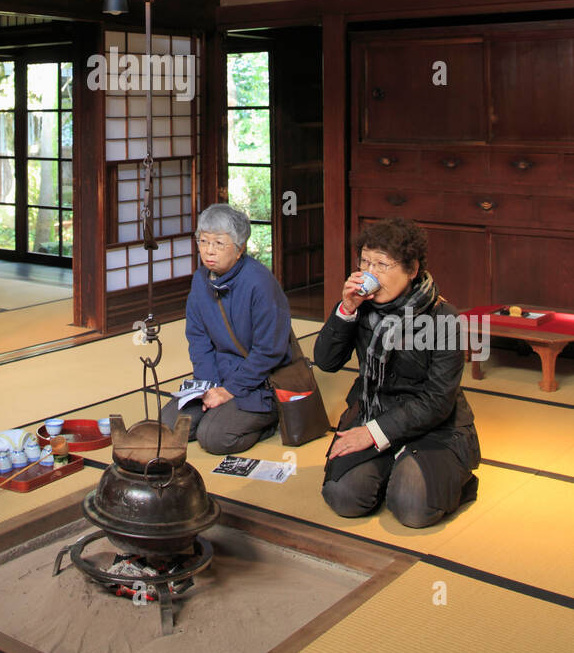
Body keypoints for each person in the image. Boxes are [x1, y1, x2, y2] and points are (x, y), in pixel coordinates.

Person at [315, 218, 480, 529]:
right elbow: (325, 361)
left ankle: (440, 471)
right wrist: (346, 309)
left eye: (382, 264)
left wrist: (374, 433)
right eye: (365, 262)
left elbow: (437, 401)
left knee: (412, 509)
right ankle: (395, 461)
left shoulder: (444, 318)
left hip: (433, 425)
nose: (370, 273)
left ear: (412, 269)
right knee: (344, 498)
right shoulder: (361, 306)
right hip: (373, 410)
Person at [160, 204, 290, 455]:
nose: (209, 250)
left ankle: (267, 423)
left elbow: (269, 351)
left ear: (239, 248)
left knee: (214, 438)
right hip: (217, 375)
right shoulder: (200, 280)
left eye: (219, 243)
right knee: (168, 427)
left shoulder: (260, 284)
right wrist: (209, 386)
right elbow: (198, 338)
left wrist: (230, 390)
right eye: (204, 241)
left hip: (259, 381)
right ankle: (219, 410)